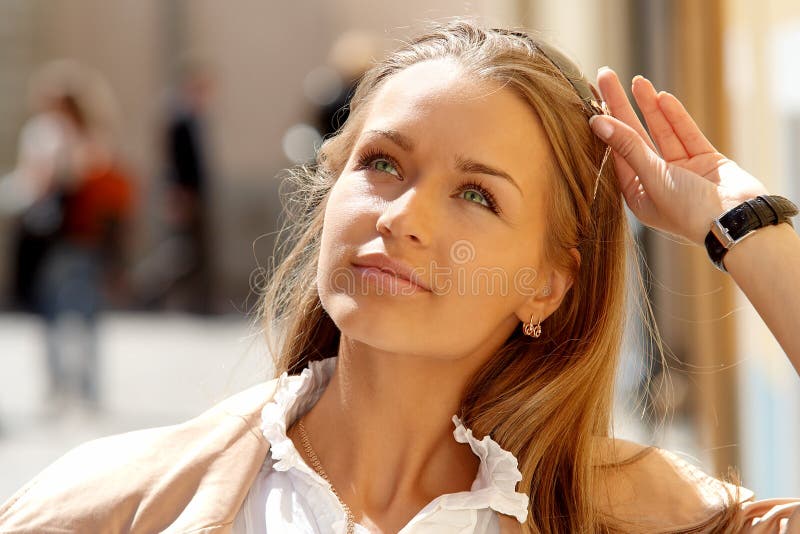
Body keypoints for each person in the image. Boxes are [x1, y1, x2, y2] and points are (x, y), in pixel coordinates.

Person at [1, 20, 798, 533]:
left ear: (548, 285)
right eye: (383, 163)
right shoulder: (118, 505)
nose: (403, 217)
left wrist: (743, 222)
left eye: (477, 194)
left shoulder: (635, 517)